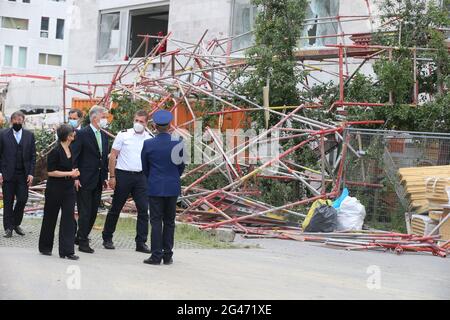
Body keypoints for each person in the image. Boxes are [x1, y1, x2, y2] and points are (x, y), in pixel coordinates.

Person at [102, 110, 152, 253]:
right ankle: (107, 237)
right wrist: (112, 176)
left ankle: (141, 243)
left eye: (141, 121)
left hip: (141, 178)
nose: (138, 124)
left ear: (146, 123)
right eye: (136, 120)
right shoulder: (123, 134)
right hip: (123, 175)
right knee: (116, 207)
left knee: (143, 210)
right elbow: (113, 156)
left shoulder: (149, 138)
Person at [141, 110, 185, 265]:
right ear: (170, 125)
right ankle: (168, 255)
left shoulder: (148, 144)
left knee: (155, 221)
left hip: (155, 187)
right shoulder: (178, 142)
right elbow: (181, 167)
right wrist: (172, 176)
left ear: (154, 126)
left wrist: (153, 178)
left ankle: (156, 255)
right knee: (169, 221)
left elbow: (145, 167)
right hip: (172, 187)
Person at [38, 124, 80, 260]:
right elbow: (51, 172)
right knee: (50, 217)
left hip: (68, 188)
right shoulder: (55, 152)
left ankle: (67, 251)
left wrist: (75, 175)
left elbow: (72, 167)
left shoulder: (71, 149)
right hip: (55, 188)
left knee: (68, 218)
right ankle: (45, 247)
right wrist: (70, 173)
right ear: (67, 136)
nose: (74, 134)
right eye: (72, 133)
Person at [72, 105, 109, 254]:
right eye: (103, 117)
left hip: (98, 179)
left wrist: (105, 176)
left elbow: (103, 159)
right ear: (94, 117)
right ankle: (83, 241)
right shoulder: (82, 134)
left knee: (93, 211)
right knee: (85, 211)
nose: (105, 120)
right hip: (84, 179)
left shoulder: (104, 135)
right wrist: (75, 176)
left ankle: (81, 234)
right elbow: (75, 156)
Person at [0, 111, 36, 238]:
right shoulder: (3, 134)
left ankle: (15, 223)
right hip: (7, 174)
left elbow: (33, 156)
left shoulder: (29, 135)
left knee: (22, 199)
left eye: (20, 120)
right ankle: (8, 228)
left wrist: (31, 173)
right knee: (8, 202)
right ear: (11, 121)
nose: (17, 122)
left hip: (23, 174)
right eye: (15, 120)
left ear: (23, 121)